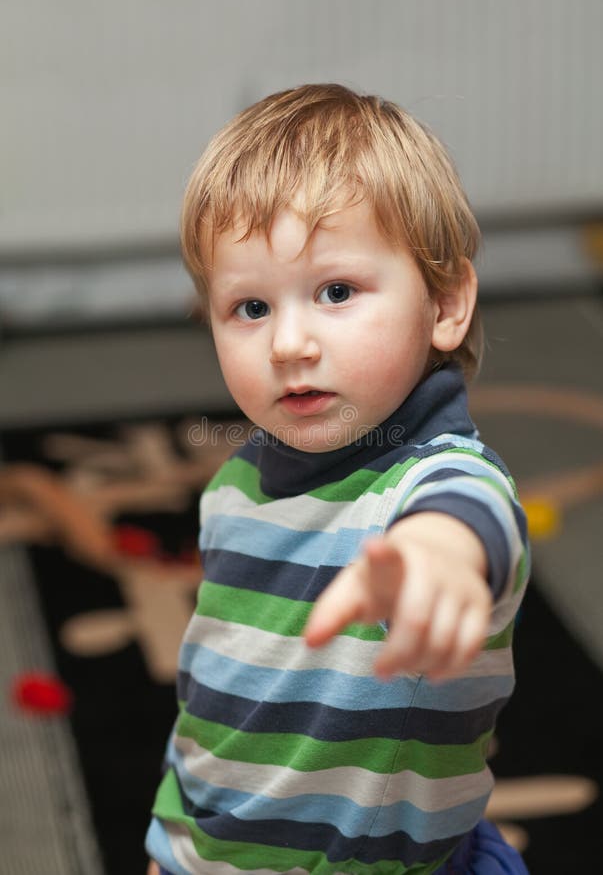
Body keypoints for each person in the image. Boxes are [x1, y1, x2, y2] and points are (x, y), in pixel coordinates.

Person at [146, 84, 530, 874]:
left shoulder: (440, 480)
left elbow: (464, 519)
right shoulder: (235, 486)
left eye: (335, 292)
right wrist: (172, 843)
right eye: (250, 307)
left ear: (446, 302)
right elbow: (214, 707)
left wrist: (435, 559)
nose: (289, 342)